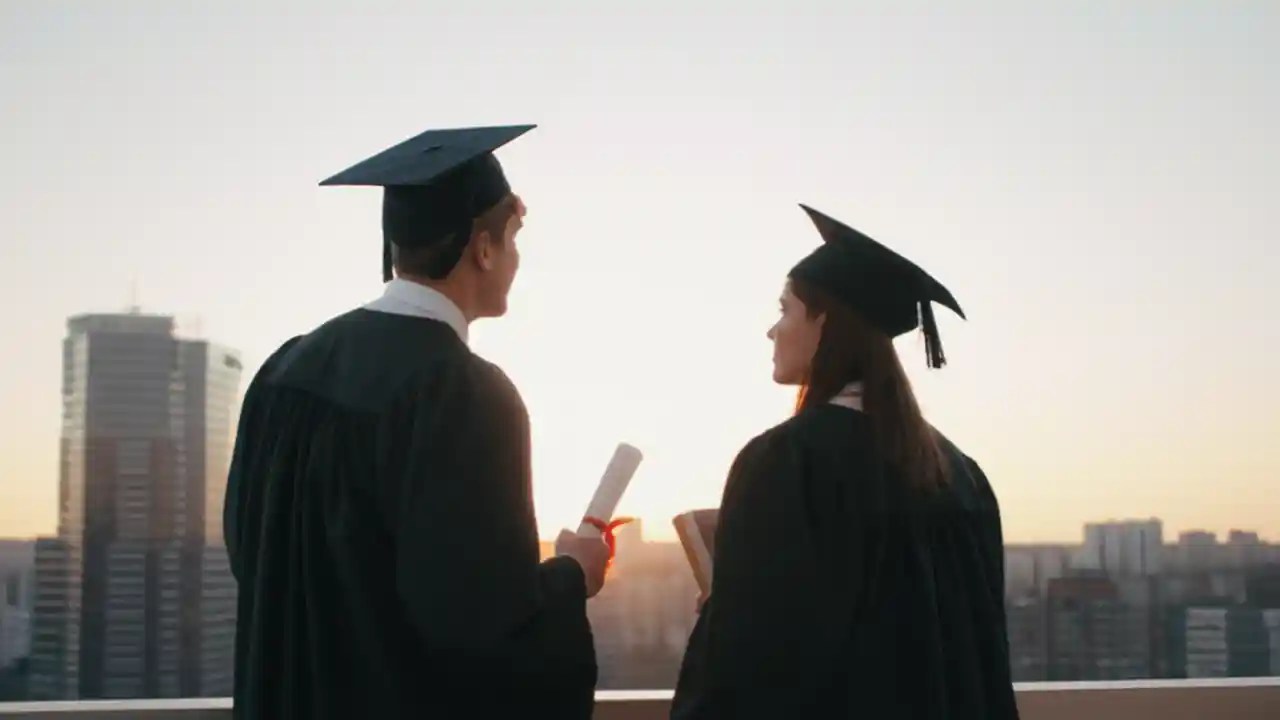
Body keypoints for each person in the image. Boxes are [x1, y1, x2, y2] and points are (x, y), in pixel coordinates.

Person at [223, 124, 611, 720]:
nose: (514, 258)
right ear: (483, 249)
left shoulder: (288, 367)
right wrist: (570, 577)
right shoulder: (464, 394)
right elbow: (479, 627)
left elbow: (250, 550)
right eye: (512, 238)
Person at [671, 205, 1020, 719]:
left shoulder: (787, 461)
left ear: (824, 321)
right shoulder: (961, 474)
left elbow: (755, 667)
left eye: (786, 309)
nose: (772, 330)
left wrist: (722, 619)